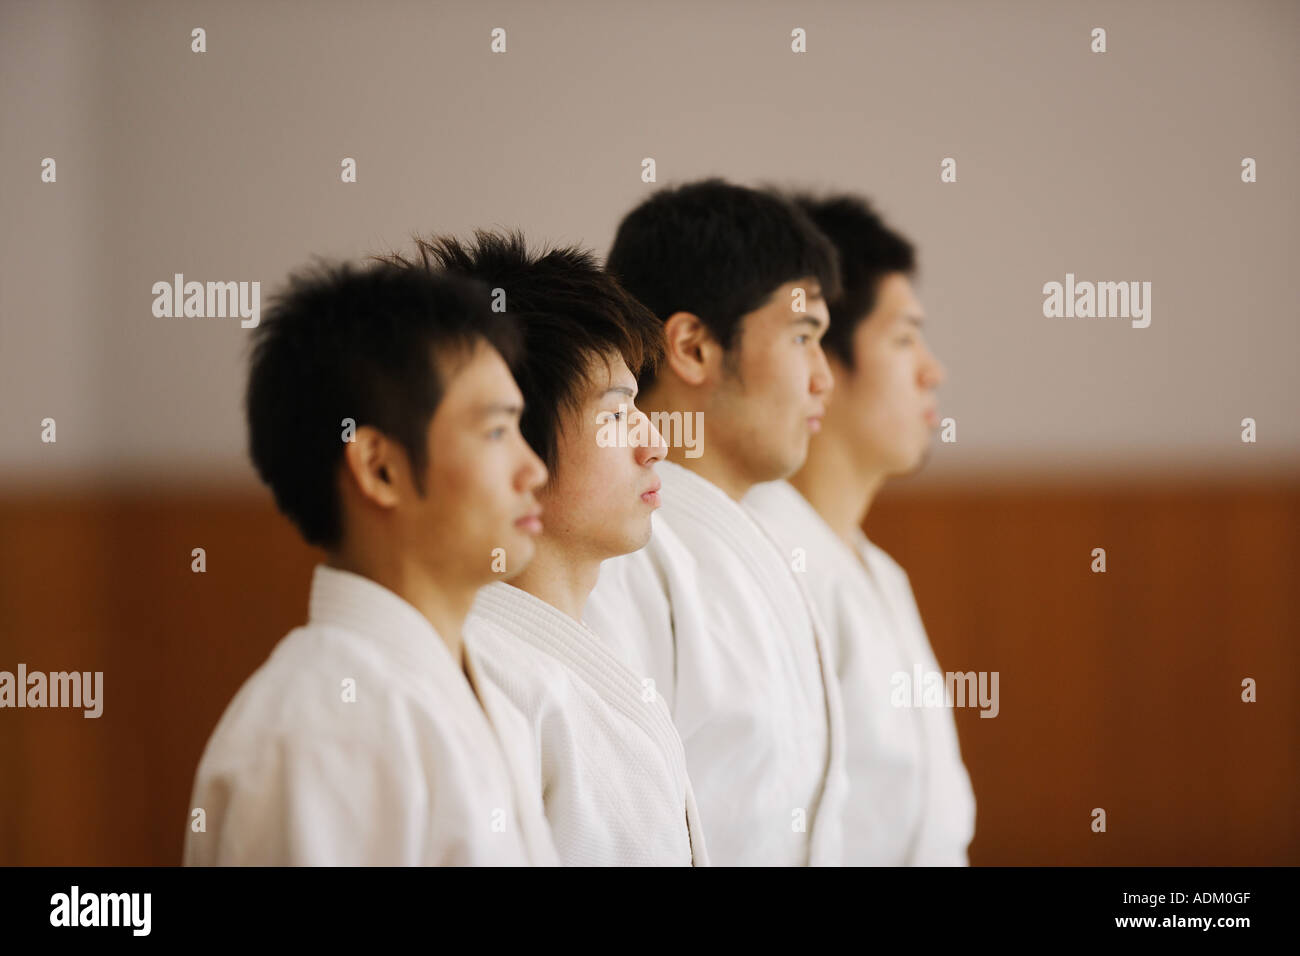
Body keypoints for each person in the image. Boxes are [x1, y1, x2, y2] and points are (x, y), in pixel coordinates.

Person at [184, 261, 557, 865]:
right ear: (378, 468)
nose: (533, 469)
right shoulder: (320, 732)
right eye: (495, 432)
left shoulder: (479, 693)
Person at [383, 231, 709, 865]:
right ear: (511, 441)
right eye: (616, 415)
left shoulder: (577, 662)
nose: (655, 443)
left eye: (639, 406)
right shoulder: (480, 687)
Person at [585, 179, 848, 866]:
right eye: (802, 336)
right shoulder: (618, 557)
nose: (823, 378)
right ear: (694, 347)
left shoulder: (757, 541)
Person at [745, 192, 976, 865]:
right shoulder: (765, 564)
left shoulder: (879, 573)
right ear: (821, 358)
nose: (933, 370)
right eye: (903, 338)